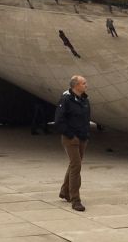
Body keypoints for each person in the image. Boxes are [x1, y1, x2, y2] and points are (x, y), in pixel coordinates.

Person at [55, 75, 91, 212]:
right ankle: (75, 199)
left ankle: (65, 191)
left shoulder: (85, 99)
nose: (86, 85)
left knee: (74, 165)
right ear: (76, 86)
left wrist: (86, 135)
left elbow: (86, 118)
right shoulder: (66, 100)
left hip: (82, 138)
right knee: (76, 166)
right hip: (71, 138)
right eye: (84, 83)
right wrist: (71, 135)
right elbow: (59, 121)